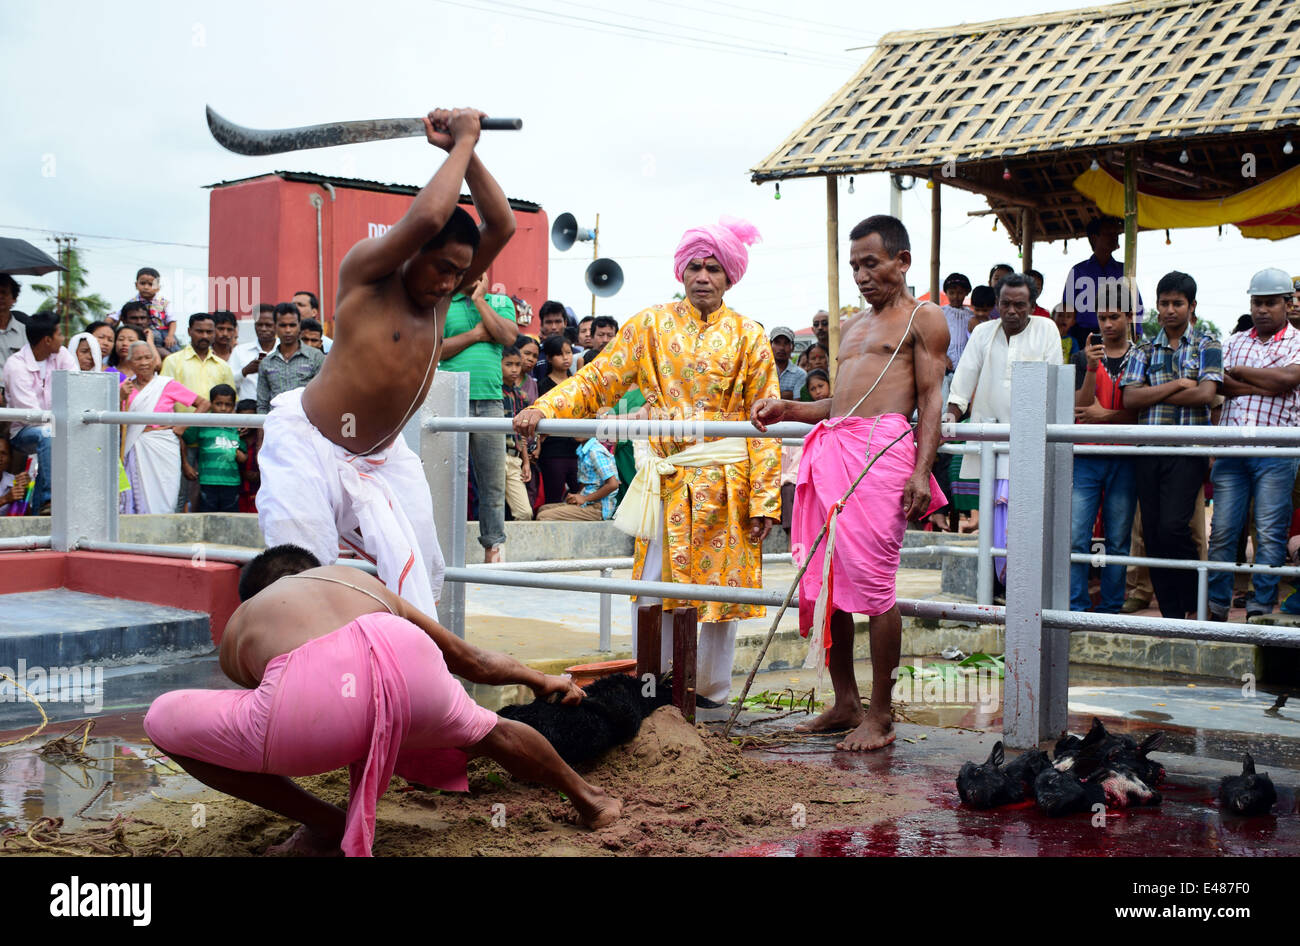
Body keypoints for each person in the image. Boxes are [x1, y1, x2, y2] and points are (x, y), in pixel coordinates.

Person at [143, 545, 621, 857]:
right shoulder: (357, 581)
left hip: (316, 702)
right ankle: (592, 801)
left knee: (163, 718)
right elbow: (471, 661)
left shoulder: (244, 619)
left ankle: (324, 823)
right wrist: (541, 680)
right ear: (315, 569)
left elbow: (265, 714)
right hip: (408, 664)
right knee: (486, 727)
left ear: (250, 594)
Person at [257, 108, 514, 617]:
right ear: (411, 252)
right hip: (312, 444)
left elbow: (502, 224)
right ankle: (303, 680)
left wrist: (467, 149)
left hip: (384, 456)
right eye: (442, 268)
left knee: (425, 572)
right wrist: (460, 141)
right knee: (305, 582)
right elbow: (426, 218)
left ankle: (404, 677)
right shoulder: (367, 275)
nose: (449, 283)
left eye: (459, 274)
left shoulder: (443, 295)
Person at [515, 216, 781, 708]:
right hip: (666, 479)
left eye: (715, 268)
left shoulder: (750, 336)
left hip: (727, 480)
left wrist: (765, 498)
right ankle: (653, 686)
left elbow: (764, 417)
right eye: (695, 267)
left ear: (730, 276)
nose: (703, 276)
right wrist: (545, 407)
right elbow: (597, 381)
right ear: (681, 271)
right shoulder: (649, 325)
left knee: (718, 592)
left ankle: (711, 694)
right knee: (653, 586)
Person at [751, 214, 947, 751]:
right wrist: (789, 406)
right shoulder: (853, 326)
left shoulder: (924, 319)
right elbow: (840, 405)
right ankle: (845, 703)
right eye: (855, 265)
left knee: (877, 587)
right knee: (822, 583)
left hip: (883, 455)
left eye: (872, 263)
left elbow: (930, 399)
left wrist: (921, 471)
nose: (862, 275)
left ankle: (880, 717)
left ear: (902, 262)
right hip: (833, 451)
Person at [946, 272, 1063, 587]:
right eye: (1006, 304)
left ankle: (1025, 584)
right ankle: (997, 584)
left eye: (1020, 305)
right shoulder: (984, 332)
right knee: (992, 513)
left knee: (1025, 516)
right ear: (996, 304)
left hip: (1031, 442)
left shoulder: (1047, 329)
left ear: (1032, 305)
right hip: (990, 440)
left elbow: (1054, 386)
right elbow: (964, 379)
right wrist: (952, 415)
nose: (1012, 311)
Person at [1119, 272, 1221, 619]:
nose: (1169, 309)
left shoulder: (1207, 344)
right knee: (1153, 533)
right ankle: (1172, 613)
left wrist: (1157, 394)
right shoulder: (1144, 348)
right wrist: (1179, 384)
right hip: (1148, 451)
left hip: (1187, 451)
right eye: (1164, 303)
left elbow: (1206, 395)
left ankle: (1193, 600)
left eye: (1177, 303)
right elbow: (1131, 397)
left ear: (1192, 307)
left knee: (1174, 528)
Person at [1207, 269, 1300, 620]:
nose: (1262, 310)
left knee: (1271, 533)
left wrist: (1241, 373)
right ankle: (1216, 606)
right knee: (1224, 531)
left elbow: (1290, 378)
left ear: (1287, 304)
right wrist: (1266, 383)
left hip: (1276, 453)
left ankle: (1260, 608)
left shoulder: (1297, 341)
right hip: (1232, 450)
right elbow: (1218, 384)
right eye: (1257, 302)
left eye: (1270, 303)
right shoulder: (1233, 341)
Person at [438, 271, 518, 563]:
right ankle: (441, 550)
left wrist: (479, 300)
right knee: (445, 481)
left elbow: (508, 336)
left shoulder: (499, 300)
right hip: (448, 402)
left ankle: (493, 550)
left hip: (490, 402)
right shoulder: (443, 302)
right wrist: (476, 334)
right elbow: (437, 349)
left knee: (493, 481)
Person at [1069, 305, 1137, 613]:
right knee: (1076, 536)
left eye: (1115, 317)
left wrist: (1106, 416)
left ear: (1129, 317)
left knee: (1119, 538)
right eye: (1102, 319)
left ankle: (1111, 608)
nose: (1108, 324)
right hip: (1086, 454)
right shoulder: (1083, 358)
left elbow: (1140, 413)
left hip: (1124, 456)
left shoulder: (1140, 356)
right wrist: (1092, 370)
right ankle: (1076, 606)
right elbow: (1079, 410)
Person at [119, 341, 210, 515]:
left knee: (166, 496)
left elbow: (204, 404)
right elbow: (114, 417)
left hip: (164, 445)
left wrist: (182, 427)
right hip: (136, 445)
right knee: (137, 497)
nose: (144, 362)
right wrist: (121, 396)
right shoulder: (125, 388)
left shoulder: (166, 384)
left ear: (155, 361)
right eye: (139, 359)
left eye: (148, 357)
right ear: (130, 363)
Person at [163, 312, 237, 512]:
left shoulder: (223, 366)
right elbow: (164, 398)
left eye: (208, 331)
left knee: (208, 493)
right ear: (189, 332)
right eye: (199, 331)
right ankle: (174, 537)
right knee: (178, 491)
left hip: (214, 438)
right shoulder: (173, 361)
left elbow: (231, 402)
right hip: (181, 436)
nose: (204, 335)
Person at [2, 313, 75, 515]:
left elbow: (76, 390)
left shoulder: (62, 355)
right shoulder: (15, 365)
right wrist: (60, 422)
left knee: (50, 440)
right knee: (47, 435)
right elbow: (31, 415)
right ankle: (49, 500)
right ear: (47, 340)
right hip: (24, 432)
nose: (63, 338)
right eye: (59, 333)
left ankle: (40, 512)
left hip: (57, 428)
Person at [1062, 216, 1144, 352]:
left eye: (1116, 234)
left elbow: (1136, 304)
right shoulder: (1078, 271)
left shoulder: (1125, 270)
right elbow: (1067, 308)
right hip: (1084, 337)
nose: (1115, 237)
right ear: (1094, 238)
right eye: (1109, 233)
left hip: (1118, 335)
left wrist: (1137, 329)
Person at [180, 384, 246, 513]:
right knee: (208, 515)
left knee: (229, 517)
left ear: (233, 406)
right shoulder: (203, 423)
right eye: (218, 404)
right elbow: (184, 437)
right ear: (211, 404)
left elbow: (244, 457)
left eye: (228, 405)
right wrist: (186, 464)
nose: (223, 408)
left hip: (231, 482)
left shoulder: (238, 426)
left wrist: (237, 452)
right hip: (207, 481)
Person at [533, 335, 581, 503]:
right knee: (553, 498)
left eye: (568, 352)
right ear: (549, 358)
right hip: (552, 451)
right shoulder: (543, 386)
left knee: (581, 498)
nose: (566, 357)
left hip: (578, 451)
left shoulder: (577, 383)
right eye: (560, 354)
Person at [256, 302, 324, 416]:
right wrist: (262, 430)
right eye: (283, 325)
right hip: (276, 424)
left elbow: (322, 396)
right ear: (275, 326)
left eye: (292, 325)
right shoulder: (266, 363)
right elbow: (262, 404)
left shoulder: (316, 357)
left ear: (299, 326)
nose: (288, 330)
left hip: (306, 424)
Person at [536, 437, 619, 521]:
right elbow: (588, 484)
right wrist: (576, 496)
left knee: (543, 516)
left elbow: (613, 484)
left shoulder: (595, 451)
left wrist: (584, 498)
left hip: (598, 508)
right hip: (587, 503)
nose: (577, 431)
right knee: (542, 509)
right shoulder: (582, 450)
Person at [500, 345, 534, 521]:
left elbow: (523, 434)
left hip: (514, 458)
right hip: (494, 456)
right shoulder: (493, 392)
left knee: (524, 513)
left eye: (517, 365)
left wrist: (525, 462)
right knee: (493, 508)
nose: (514, 369)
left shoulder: (522, 396)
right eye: (508, 364)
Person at [114, 267, 177, 352]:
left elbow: (172, 321)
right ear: (136, 285)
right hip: (143, 333)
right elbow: (117, 316)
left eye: (150, 284)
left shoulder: (164, 303)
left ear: (158, 287)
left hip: (164, 333)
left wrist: (170, 336)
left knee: (175, 349)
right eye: (143, 283)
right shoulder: (132, 303)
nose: (146, 287)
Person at [230, 303, 278, 403]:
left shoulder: (284, 350)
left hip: (278, 409)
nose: (263, 329)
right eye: (259, 324)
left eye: (268, 325)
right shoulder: (240, 351)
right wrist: (245, 372)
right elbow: (228, 383)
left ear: (277, 325)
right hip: (248, 411)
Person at [940, 272, 973, 373]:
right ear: (946, 293)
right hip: (945, 367)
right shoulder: (941, 313)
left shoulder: (971, 315)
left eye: (960, 293)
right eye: (952, 293)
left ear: (966, 293)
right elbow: (933, 339)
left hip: (966, 366)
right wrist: (943, 356)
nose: (956, 296)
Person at [117, 301, 165, 368]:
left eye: (143, 318)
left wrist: (150, 341)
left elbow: (157, 365)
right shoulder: (116, 339)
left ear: (148, 320)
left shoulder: (159, 338)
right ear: (123, 320)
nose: (139, 322)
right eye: (134, 318)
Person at [236, 399, 261, 513]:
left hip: (259, 490)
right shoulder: (235, 438)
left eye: (250, 418)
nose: (246, 422)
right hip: (239, 491)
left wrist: (259, 475)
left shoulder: (262, 439)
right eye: (242, 418)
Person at [769, 326, 806, 400]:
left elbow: (797, 403)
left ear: (792, 347)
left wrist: (771, 396)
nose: (781, 347)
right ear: (770, 345)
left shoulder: (800, 374)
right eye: (777, 343)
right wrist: (784, 396)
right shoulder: (763, 370)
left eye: (786, 343)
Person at [0, 436, 31, 516]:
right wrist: (5, 499)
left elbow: (27, 517)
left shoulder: (14, 482)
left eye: (3, 453)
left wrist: (25, 494)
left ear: (11, 458)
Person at [0, 275, 24, 378]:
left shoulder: (25, 332)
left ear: (14, 298)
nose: (0, 296)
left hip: (16, 391)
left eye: (4, 292)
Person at [515, 335, 540, 402]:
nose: (531, 359)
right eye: (527, 353)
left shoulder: (532, 384)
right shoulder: (501, 377)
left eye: (535, 356)